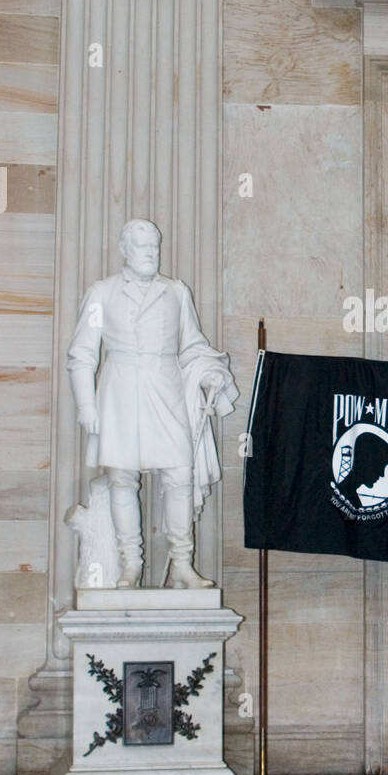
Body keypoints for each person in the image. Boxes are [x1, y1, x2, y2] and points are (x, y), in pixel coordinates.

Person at [67, 219, 238, 589]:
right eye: (142, 247)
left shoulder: (176, 293)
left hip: (165, 390)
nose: (149, 254)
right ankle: (131, 564)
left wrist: (210, 373)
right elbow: (82, 354)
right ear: (124, 250)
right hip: (120, 392)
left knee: (179, 474)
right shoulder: (102, 293)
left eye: (154, 247)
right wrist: (86, 407)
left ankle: (181, 563)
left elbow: (191, 344)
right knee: (121, 479)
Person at [336, 431, 388, 510]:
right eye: (380, 466)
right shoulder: (345, 498)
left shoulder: (343, 495)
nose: (382, 474)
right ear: (365, 461)